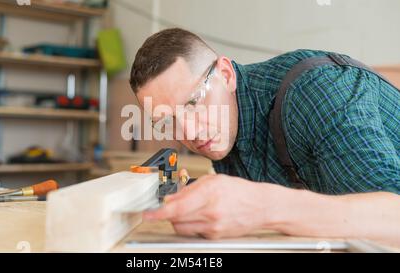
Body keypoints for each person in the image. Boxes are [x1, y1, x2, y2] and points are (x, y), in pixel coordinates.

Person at [128, 28, 400, 245]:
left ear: (225, 74)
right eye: (168, 120)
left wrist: (264, 207)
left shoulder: (317, 91)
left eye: (193, 103)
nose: (190, 133)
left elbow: (393, 220)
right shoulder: (227, 132)